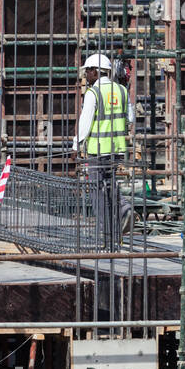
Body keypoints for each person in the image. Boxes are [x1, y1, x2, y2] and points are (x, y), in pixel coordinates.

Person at [76, 52, 130, 248]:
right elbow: (129, 119)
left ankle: (107, 235)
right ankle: (122, 217)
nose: (86, 76)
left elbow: (85, 123)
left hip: (97, 151)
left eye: (88, 71)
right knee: (111, 186)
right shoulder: (122, 91)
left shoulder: (94, 93)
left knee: (98, 194)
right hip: (117, 151)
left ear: (96, 72)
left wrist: (76, 145)